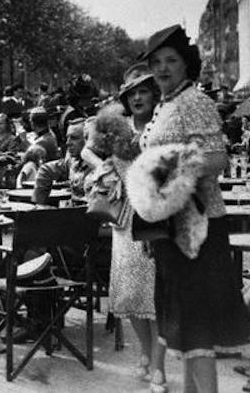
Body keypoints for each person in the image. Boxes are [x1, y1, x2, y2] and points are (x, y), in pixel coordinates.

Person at [135, 24, 250, 392]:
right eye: (157, 62)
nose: (163, 68)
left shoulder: (194, 101)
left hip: (196, 229)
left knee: (197, 332)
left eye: (171, 60)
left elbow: (217, 159)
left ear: (186, 64)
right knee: (185, 332)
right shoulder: (168, 104)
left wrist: (165, 174)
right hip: (172, 229)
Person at [88, 63, 167, 392]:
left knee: (161, 297)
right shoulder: (115, 129)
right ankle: (146, 355)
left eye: (144, 91)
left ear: (154, 94)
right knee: (134, 294)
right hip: (125, 220)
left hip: (159, 213)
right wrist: (104, 169)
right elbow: (86, 149)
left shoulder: (164, 126)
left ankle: (160, 368)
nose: (138, 97)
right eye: (132, 93)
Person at [31, 118, 89, 205]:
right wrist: (39, 206)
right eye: (67, 138)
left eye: (74, 138)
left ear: (89, 139)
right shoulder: (72, 162)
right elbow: (46, 170)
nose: (68, 142)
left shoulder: (105, 164)